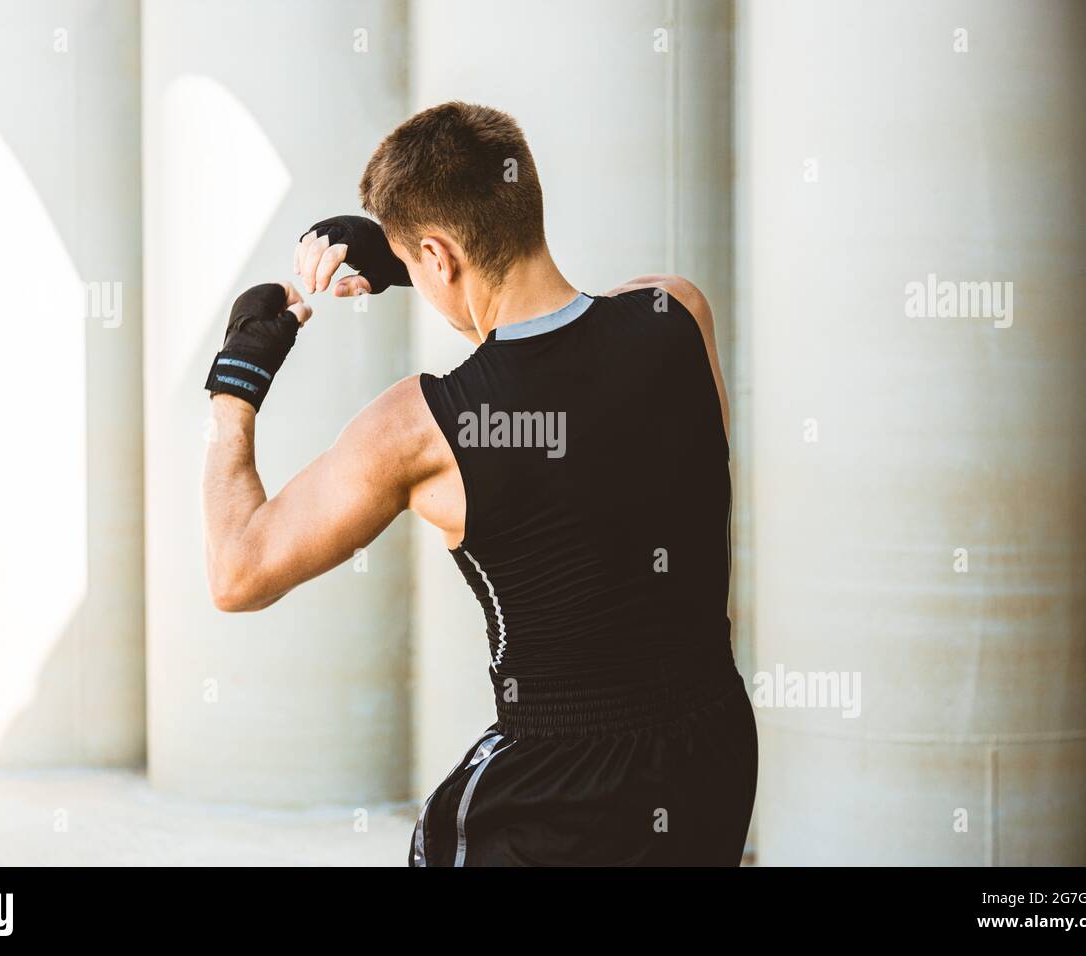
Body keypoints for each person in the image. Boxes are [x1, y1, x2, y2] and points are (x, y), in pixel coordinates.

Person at [202, 101, 757, 866]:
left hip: (553, 795)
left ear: (440, 254)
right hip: (710, 751)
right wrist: (420, 261)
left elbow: (237, 572)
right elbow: (566, 373)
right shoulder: (679, 313)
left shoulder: (420, 429)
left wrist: (235, 385)